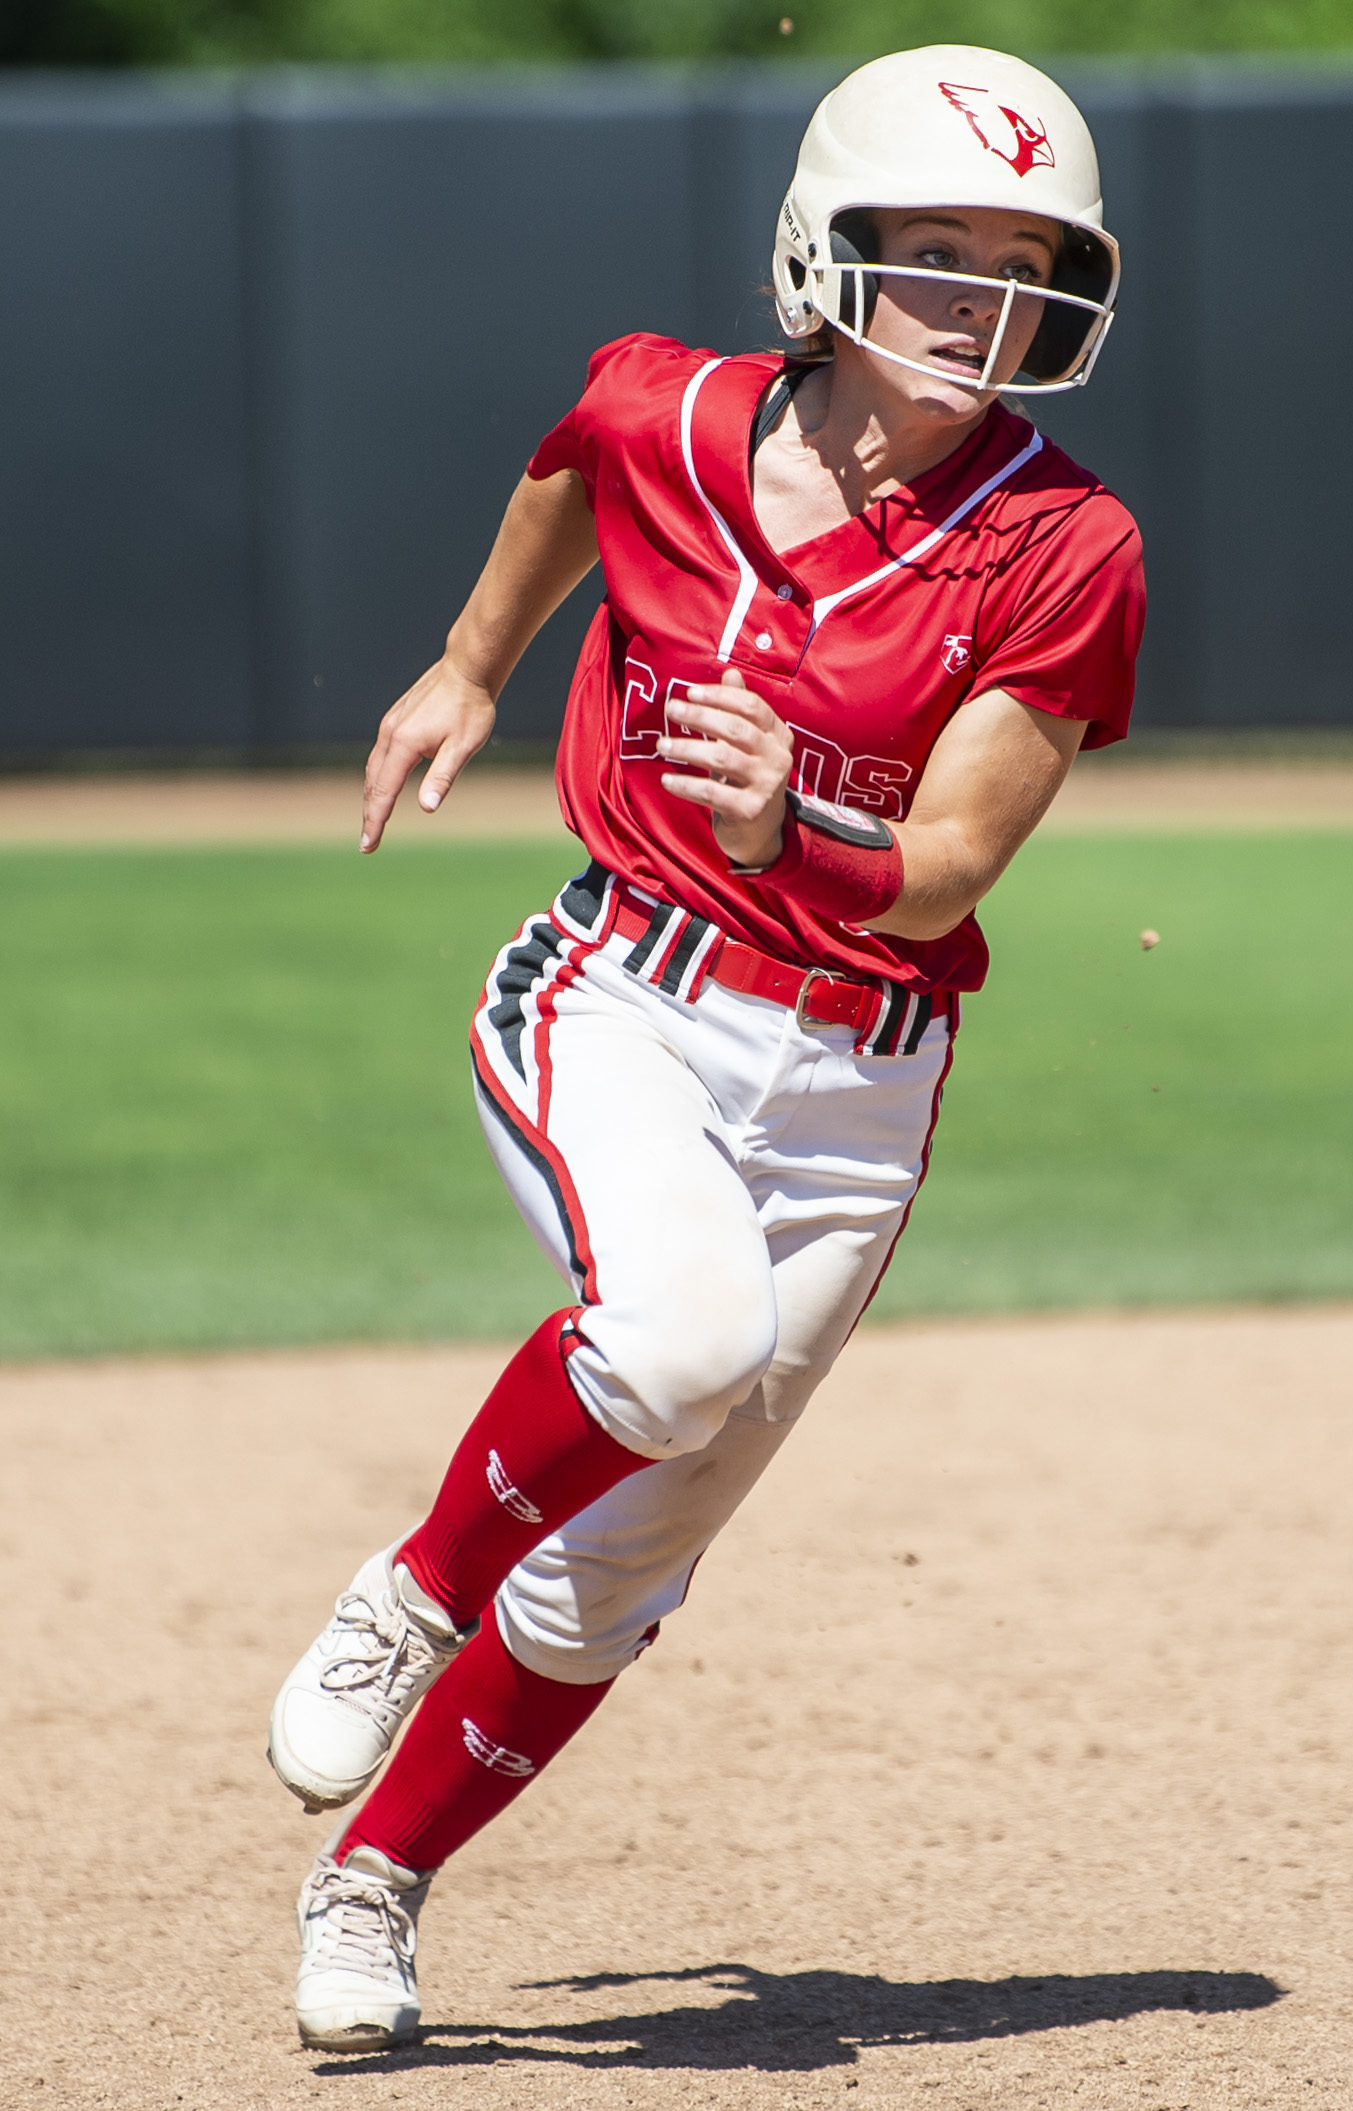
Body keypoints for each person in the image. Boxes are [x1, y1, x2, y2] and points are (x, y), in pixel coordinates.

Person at [264, 46, 1141, 2054]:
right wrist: (473, 661)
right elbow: (574, 464)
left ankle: (371, 1882)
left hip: (858, 1085)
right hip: (623, 993)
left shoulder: (1063, 546)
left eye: (1024, 263)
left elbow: (942, 869)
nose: (983, 304)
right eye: (933, 254)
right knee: (674, 1342)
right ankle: (406, 1597)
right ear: (821, 256)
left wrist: (798, 823)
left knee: (621, 1567)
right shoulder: (670, 404)